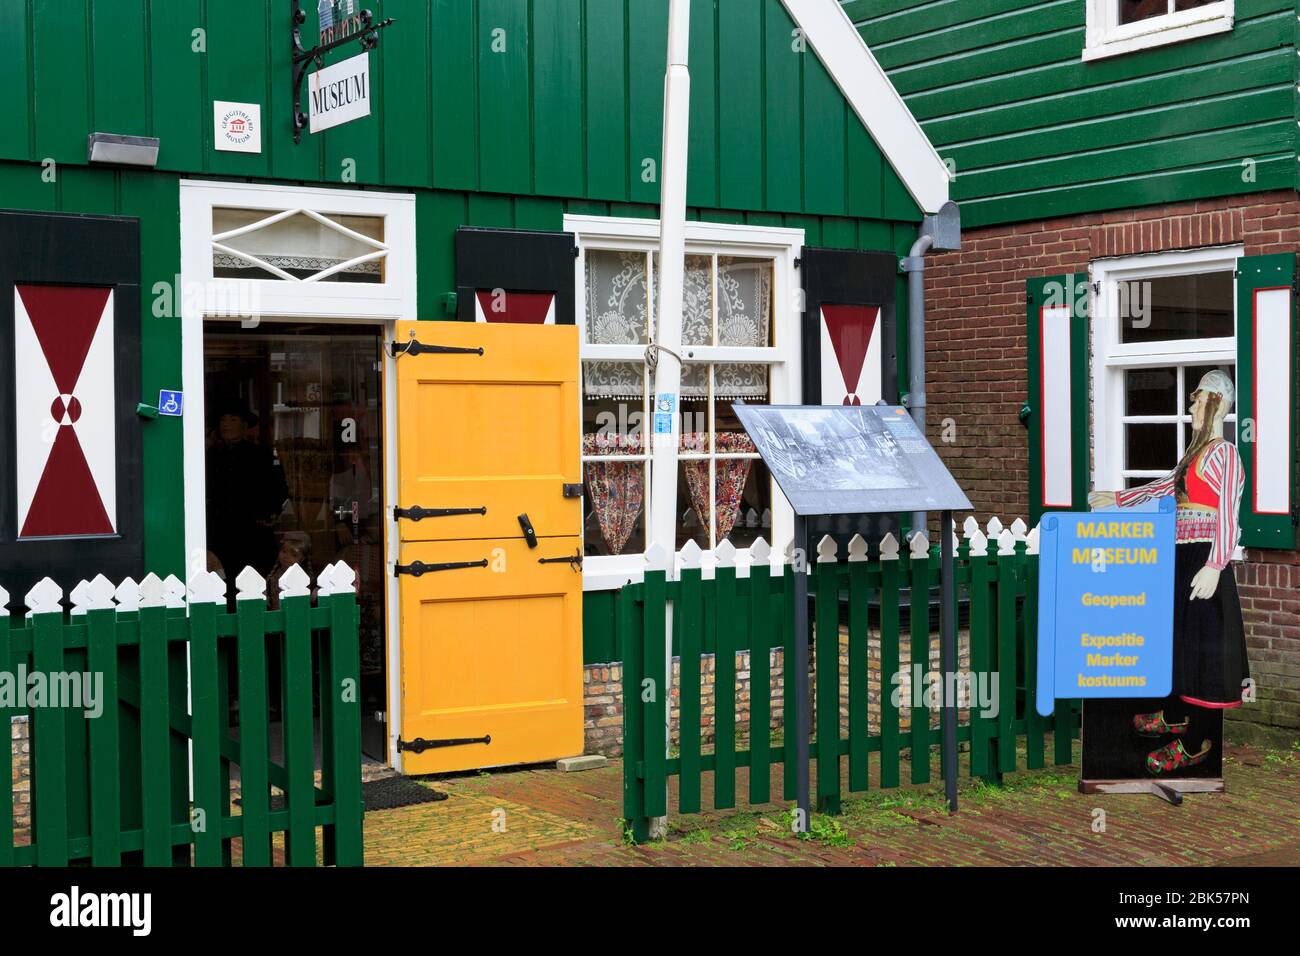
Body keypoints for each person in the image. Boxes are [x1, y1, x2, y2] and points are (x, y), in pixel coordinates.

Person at [1089, 370, 1247, 774]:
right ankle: (1176, 713)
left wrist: (1216, 565)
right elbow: (1165, 487)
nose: (1191, 407)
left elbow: (1229, 514)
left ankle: (1197, 742)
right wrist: (1120, 498)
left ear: (1216, 402)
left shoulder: (1225, 455)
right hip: (1184, 557)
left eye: (1197, 400)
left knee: (1205, 650)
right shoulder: (1195, 455)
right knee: (1181, 640)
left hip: (1203, 561)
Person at [205, 400, 289, 580]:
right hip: (218, 534)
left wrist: (269, 513)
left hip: (254, 534)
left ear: (244, 426)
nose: (226, 425)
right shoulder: (210, 456)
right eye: (223, 420)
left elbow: (279, 489)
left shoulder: (261, 456)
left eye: (233, 420)